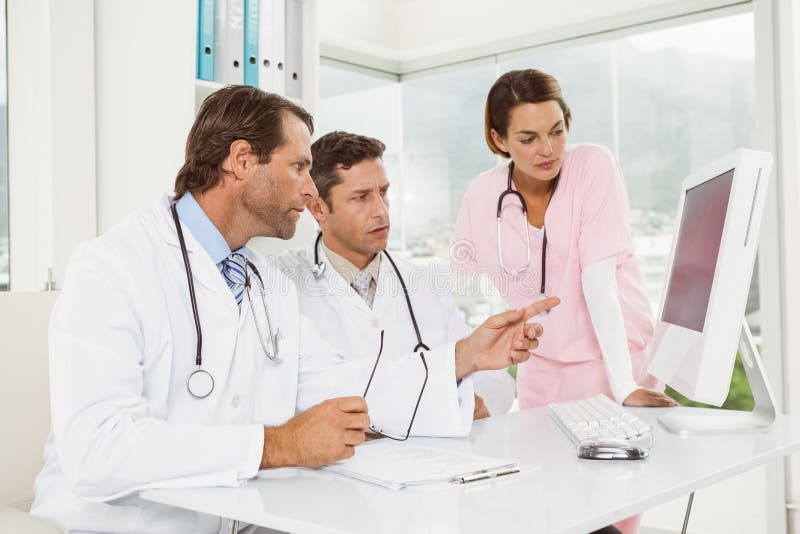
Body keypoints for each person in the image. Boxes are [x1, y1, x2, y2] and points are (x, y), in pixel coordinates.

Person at [30, 85, 555, 533]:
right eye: (299, 167)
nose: (309, 191)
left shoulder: (264, 281)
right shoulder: (112, 267)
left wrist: (463, 357)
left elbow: (344, 385)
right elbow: (96, 450)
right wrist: (278, 445)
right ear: (241, 161)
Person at [451, 70, 676, 533]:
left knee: (614, 512)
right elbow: (455, 285)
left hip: (613, 360)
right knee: (550, 510)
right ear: (498, 139)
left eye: (556, 131)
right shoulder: (482, 195)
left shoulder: (593, 166)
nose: (548, 149)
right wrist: (450, 380)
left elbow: (597, 278)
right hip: (541, 368)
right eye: (528, 138)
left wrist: (623, 387)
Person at [277, 131, 516, 423]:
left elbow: (492, 375)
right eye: (361, 197)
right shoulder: (280, 284)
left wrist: (476, 402)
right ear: (318, 208)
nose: (381, 211)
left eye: (383, 192)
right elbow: (296, 397)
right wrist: (435, 404)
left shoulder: (424, 282)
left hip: (429, 451)